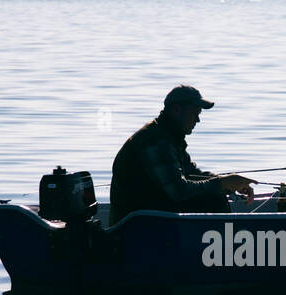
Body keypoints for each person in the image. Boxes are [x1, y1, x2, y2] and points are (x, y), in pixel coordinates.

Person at [109, 86, 254, 225]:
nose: (197, 120)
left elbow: (192, 174)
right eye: (195, 114)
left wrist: (228, 182)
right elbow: (178, 191)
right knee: (213, 199)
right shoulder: (155, 141)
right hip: (135, 226)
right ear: (176, 110)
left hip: (153, 216)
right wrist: (221, 183)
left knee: (214, 194)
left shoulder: (170, 137)